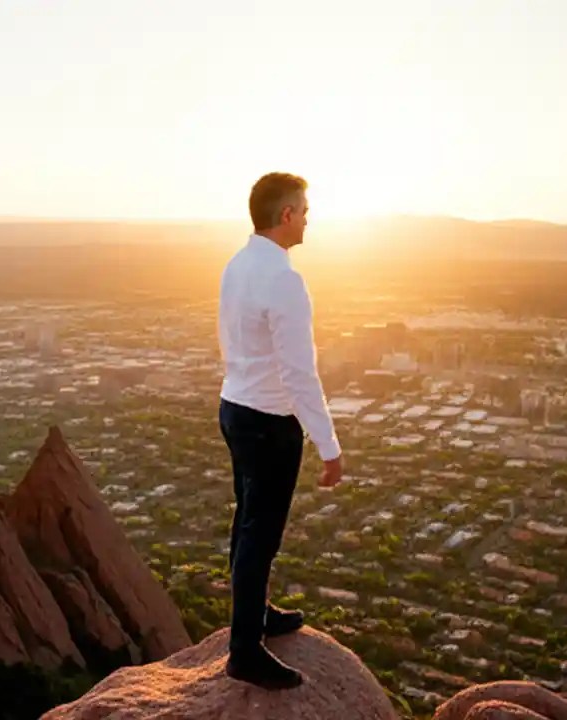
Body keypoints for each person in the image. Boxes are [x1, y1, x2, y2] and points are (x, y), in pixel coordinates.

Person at [217, 172, 343, 690]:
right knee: (259, 535)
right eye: (304, 209)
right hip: (268, 421)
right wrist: (329, 445)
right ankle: (244, 651)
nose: (309, 217)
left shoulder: (238, 264)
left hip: (235, 407)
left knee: (247, 522)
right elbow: (299, 372)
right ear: (285, 215)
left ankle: (257, 614)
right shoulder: (283, 279)